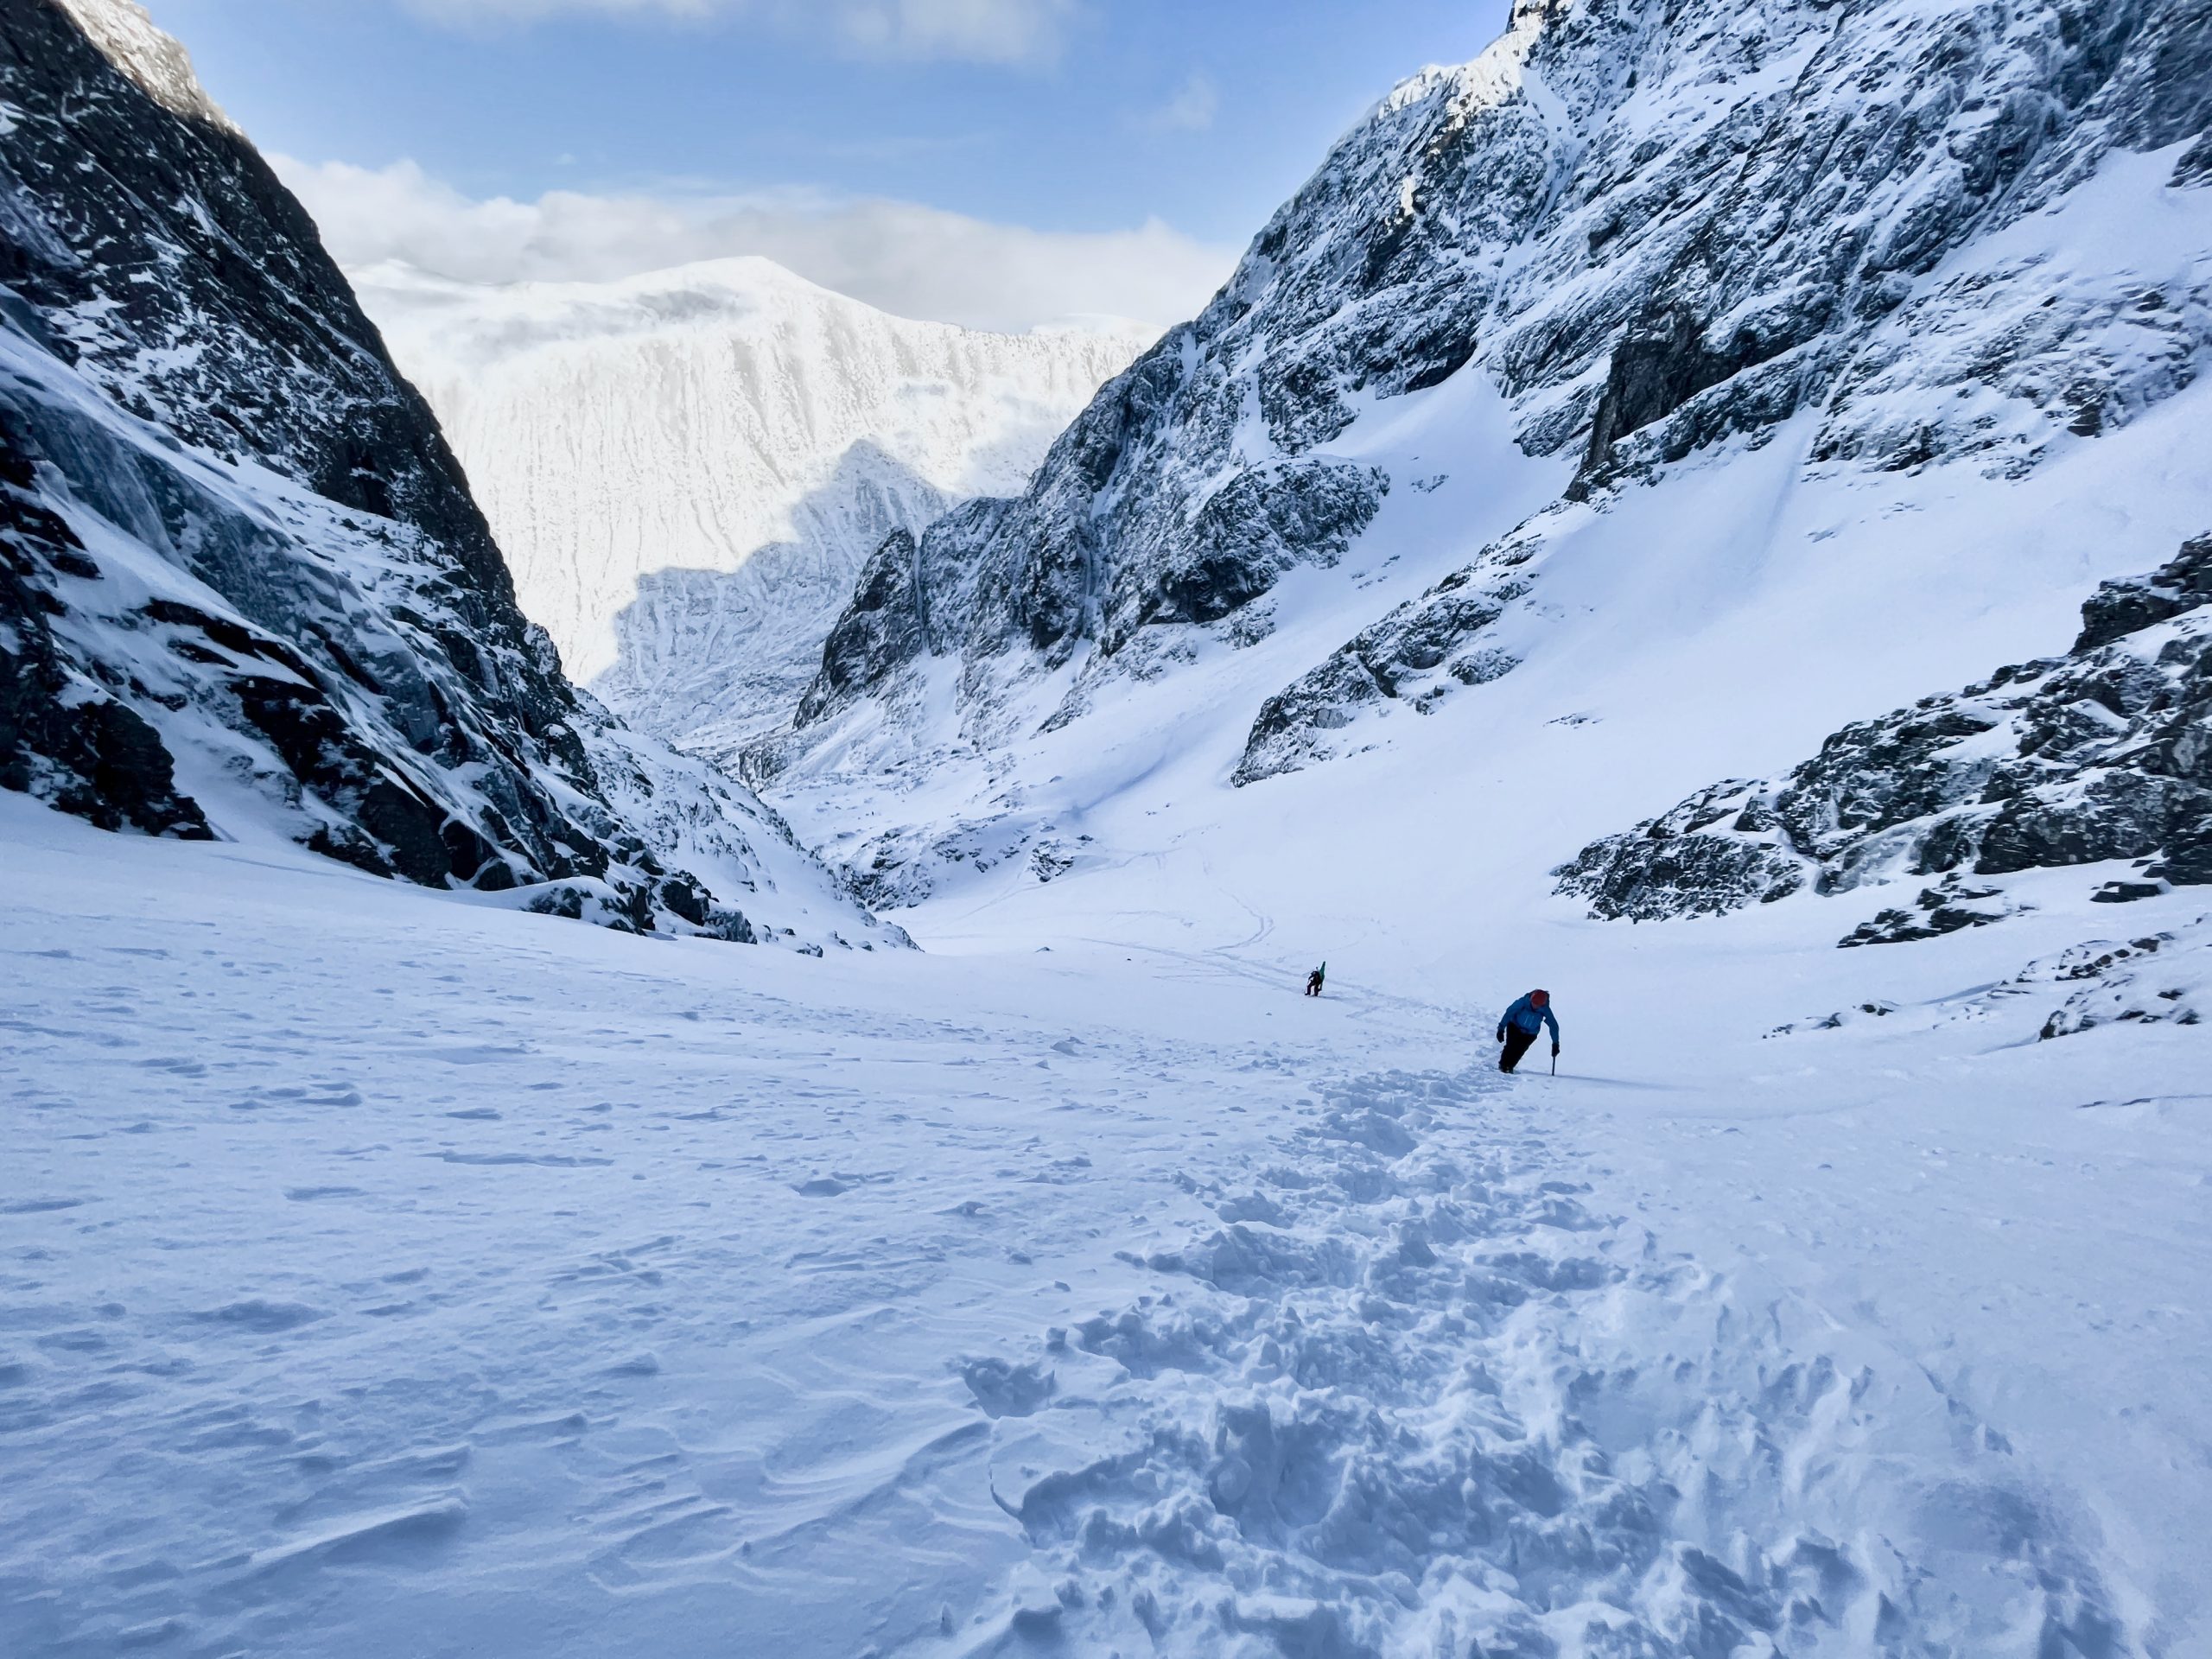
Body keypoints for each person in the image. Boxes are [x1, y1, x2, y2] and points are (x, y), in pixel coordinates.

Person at [1495, 988, 1559, 1073]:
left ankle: (1510, 1067)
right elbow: (1509, 1012)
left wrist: (1555, 1043)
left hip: (1530, 1033)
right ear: (1531, 999)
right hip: (1515, 1026)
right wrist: (1501, 1029)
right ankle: (1503, 1065)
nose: (1535, 1006)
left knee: (1520, 1050)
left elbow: (1553, 1026)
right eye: (1534, 1003)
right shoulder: (1522, 1002)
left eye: (1538, 1005)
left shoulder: (1545, 1009)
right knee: (1511, 1046)